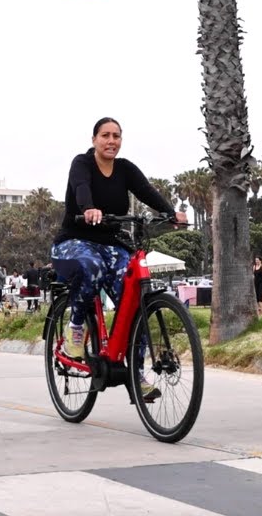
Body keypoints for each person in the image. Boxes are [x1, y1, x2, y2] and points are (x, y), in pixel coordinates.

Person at [50, 117, 187, 399]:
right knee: (91, 266)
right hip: (74, 242)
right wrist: (88, 208)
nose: (111, 141)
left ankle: (135, 374)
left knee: (136, 300)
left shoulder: (125, 168)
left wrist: (170, 213)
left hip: (111, 245)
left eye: (116, 136)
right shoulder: (82, 163)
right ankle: (76, 328)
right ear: (94, 140)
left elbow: (147, 191)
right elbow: (81, 188)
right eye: (105, 135)